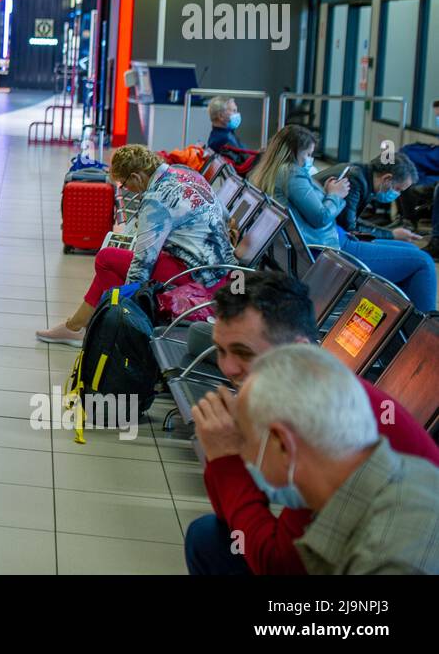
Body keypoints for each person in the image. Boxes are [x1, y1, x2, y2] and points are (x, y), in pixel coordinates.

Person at [185, 272, 439, 575]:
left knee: (211, 541)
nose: (227, 367)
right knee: (210, 538)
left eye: (243, 353)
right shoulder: (304, 388)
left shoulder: (326, 416)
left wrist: (226, 461)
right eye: (221, 351)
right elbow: (235, 517)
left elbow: (282, 564)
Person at [232, 344, 439, 574]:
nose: (242, 456)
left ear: (283, 443)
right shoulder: (414, 473)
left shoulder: (387, 562)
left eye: (244, 440)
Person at [37, 144, 236, 347]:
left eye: (124, 184)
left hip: (197, 275)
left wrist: (129, 306)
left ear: (137, 177)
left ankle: (110, 326)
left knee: (107, 259)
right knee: (115, 265)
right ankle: (80, 326)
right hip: (220, 270)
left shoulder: (156, 200)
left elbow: (142, 265)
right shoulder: (186, 174)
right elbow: (227, 218)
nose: (125, 189)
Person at [253, 124, 436, 310]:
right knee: (423, 262)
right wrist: (334, 194)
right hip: (332, 251)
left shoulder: (276, 173)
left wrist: (325, 193)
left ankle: (400, 318)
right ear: (294, 152)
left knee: (411, 252)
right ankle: (425, 332)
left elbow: (313, 210)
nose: (310, 159)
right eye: (308, 154)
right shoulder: (291, 174)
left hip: (323, 245)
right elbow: (322, 217)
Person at [315, 151, 424, 243]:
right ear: (387, 178)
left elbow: (351, 221)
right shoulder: (354, 181)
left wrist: (391, 233)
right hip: (321, 237)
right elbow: (349, 229)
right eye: (397, 189)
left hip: (319, 232)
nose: (397, 195)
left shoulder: (361, 175)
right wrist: (392, 235)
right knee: (417, 256)